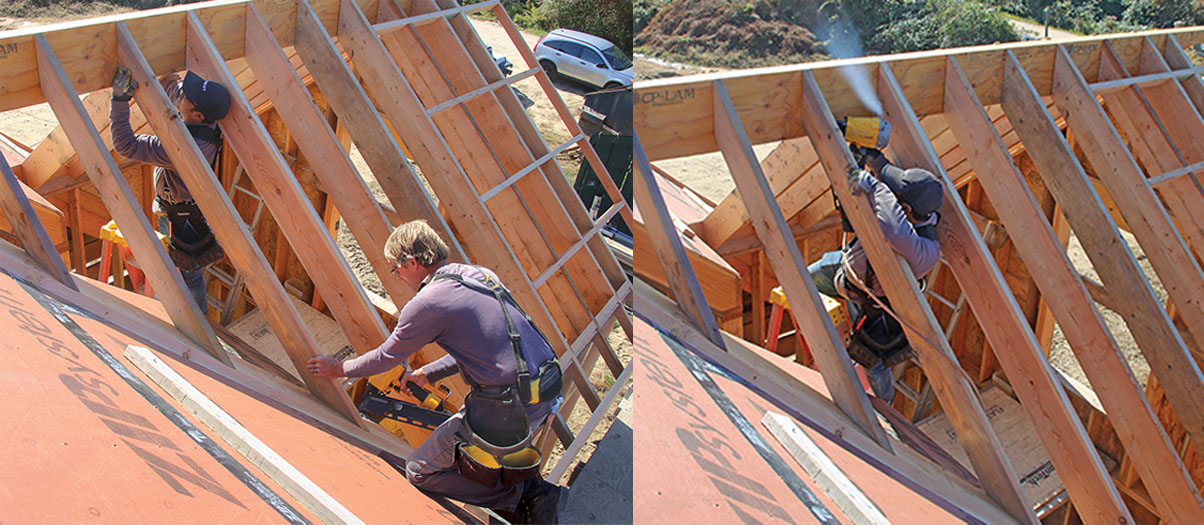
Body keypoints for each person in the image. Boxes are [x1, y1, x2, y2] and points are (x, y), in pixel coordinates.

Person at [307, 220, 566, 524]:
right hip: (544, 388)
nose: (397, 276)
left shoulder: (428, 303)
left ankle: (526, 496)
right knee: (472, 460)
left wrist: (338, 368)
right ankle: (528, 495)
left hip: (507, 409)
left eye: (396, 269)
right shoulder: (479, 275)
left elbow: (386, 357)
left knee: (421, 470)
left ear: (412, 262)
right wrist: (427, 374)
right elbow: (487, 349)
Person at [808, 148, 943, 403]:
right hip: (845, 268)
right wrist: (868, 153)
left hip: (869, 299)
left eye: (896, 198)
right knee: (807, 278)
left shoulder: (925, 252)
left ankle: (884, 404)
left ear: (905, 209)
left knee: (872, 359)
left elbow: (896, 233)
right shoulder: (912, 209)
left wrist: (875, 187)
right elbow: (887, 171)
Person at [110, 67, 230, 311]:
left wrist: (120, 101)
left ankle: (197, 318)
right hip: (189, 208)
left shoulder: (182, 148)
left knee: (188, 271)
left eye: (188, 96)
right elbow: (176, 90)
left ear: (197, 115)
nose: (182, 93)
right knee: (186, 268)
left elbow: (125, 144)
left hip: (182, 217)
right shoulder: (206, 119)